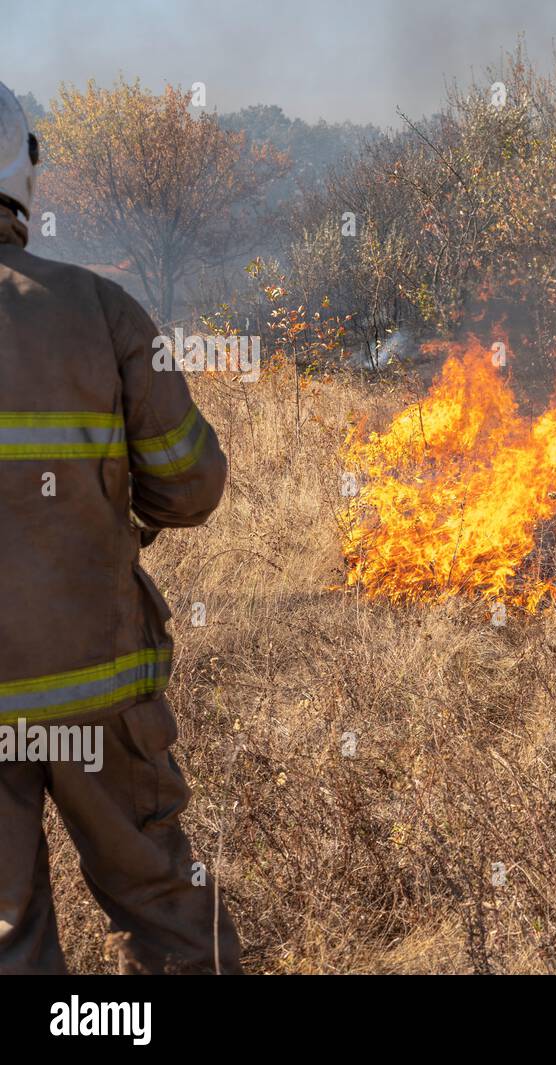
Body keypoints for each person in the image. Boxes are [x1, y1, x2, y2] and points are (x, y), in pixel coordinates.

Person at [0, 82, 241, 973]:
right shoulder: (99, 309)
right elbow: (191, 483)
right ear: (23, 169)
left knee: (7, 937)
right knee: (165, 905)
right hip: (96, 689)